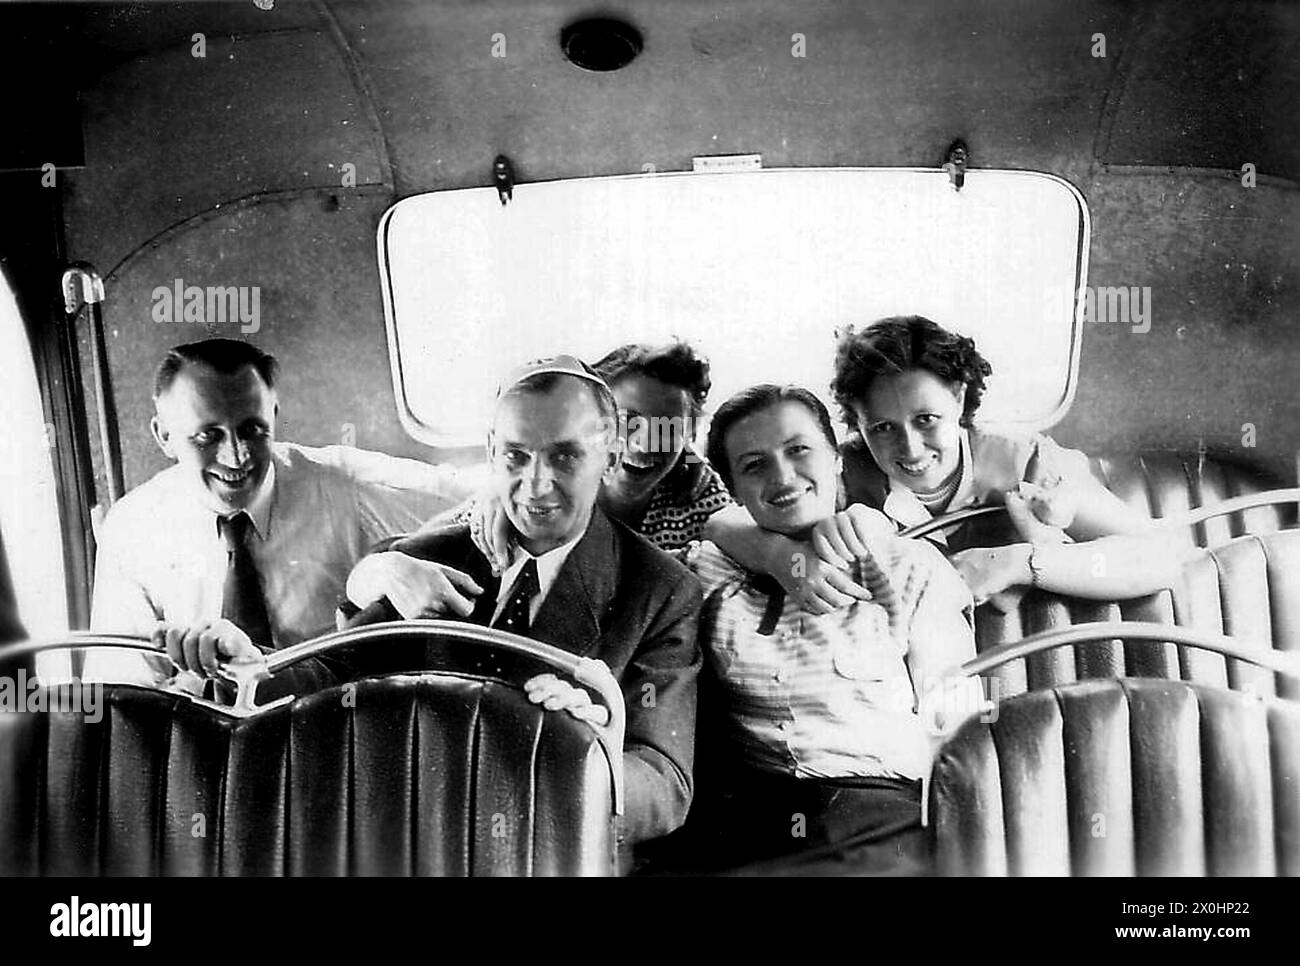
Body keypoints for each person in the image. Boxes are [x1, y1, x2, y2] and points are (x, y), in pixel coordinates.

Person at [343, 356, 703, 848]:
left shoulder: (661, 590)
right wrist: (239, 657)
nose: (536, 484)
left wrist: (588, 755)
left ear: (612, 457)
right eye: (516, 456)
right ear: (492, 454)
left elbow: (664, 781)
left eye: (565, 457)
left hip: (555, 846)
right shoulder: (429, 560)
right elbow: (328, 675)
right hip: (417, 835)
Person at [680, 384, 979, 874]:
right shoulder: (706, 573)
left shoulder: (906, 566)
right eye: (754, 465)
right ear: (732, 486)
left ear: (836, 458)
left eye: (799, 450)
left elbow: (957, 731)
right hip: (745, 826)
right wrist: (768, 551)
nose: (782, 477)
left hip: (880, 823)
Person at [705, 316, 1186, 612]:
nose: (910, 449)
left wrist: (1017, 561)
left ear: (959, 397)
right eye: (883, 428)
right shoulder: (843, 473)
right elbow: (721, 523)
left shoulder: (1024, 462)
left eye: (926, 419)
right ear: (858, 424)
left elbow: (1161, 556)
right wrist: (783, 559)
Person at [86, 338, 477, 692]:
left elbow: (481, 497)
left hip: (332, 727)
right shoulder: (131, 528)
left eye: (253, 430)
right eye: (209, 436)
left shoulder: (344, 484)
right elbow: (122, 689)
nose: (236, 456)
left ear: (274, 413)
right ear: (164, 436)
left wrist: (382, 565)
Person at [453, 341, 733, 580]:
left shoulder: (698, 487)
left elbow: (741, 528)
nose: (643, 443)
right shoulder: (536, 485)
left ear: (690, 434)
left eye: (669, 428)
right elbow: (437, 541)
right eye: (626, 420)